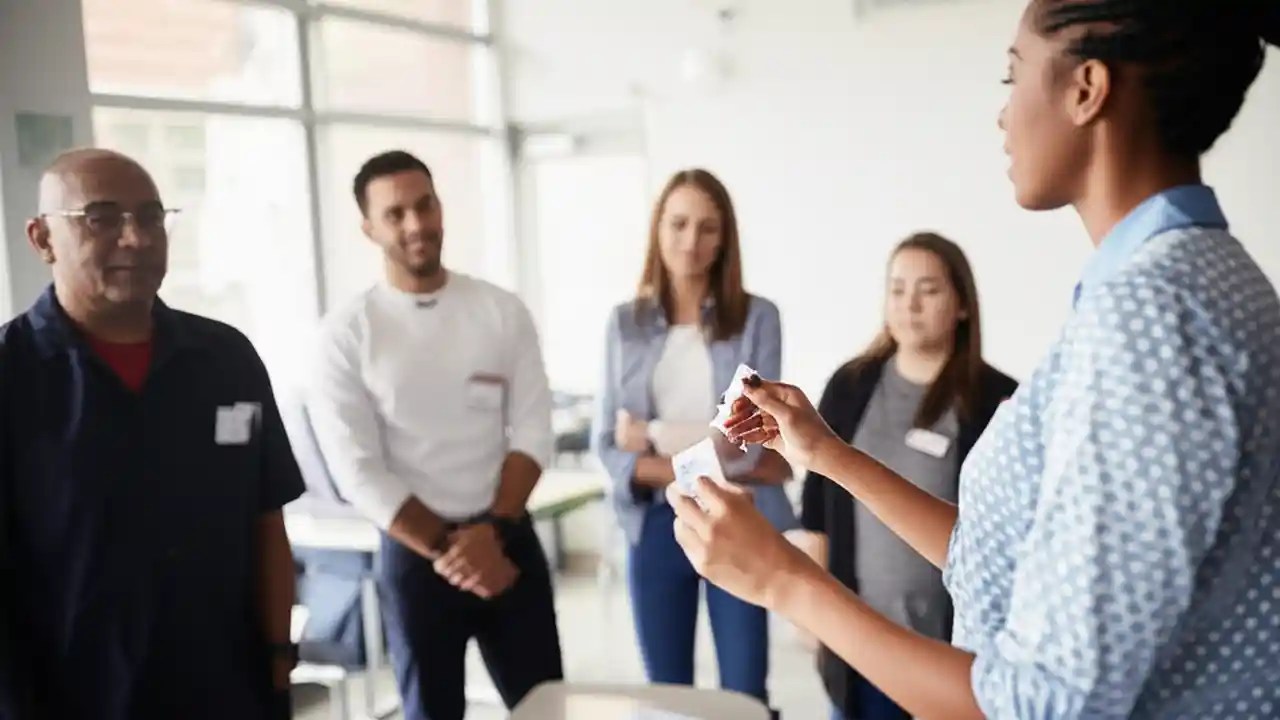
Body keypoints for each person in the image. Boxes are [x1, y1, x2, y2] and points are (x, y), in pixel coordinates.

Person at [665, 2, 1280, 718]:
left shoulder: (1152, 322)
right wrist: (828, 455)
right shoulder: (1188, 280)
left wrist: (783, 581)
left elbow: (1039, 704)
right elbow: (1007, 563)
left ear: (1086, 89)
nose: (1002, 116)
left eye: (1011, 76)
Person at [0, 149, 302, 719]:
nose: (136, 239)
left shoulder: (225, 359)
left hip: (226, 689)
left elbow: (266, 522)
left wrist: (280, 655)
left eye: (151, 217)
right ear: (42, 239)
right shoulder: (12, 376)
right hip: (71, 697)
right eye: (103, 218)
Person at [306, 150, 562, 720]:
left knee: (546, 709)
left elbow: (533, 429)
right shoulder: (347, 333)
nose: (416, 224)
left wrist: (492, 533)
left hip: (507, 537)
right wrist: (453, 550)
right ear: (369, 228)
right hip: (418, 553)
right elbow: (358, 470)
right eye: (395, 214)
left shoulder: (499, 310)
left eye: (425, 205)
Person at [591, 168, 796, 707]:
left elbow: (747, 439)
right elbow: (607, 446)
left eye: (708, 227)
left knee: (746, 691)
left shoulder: (758, 318)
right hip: (656, 520)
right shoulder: (623, 324)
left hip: (736, 513)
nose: (691, 241)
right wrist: (702, 449)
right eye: (678, 224)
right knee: (668, 692)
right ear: (657, 230)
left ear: (725, 237)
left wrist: (653, 439)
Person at [799, 233, 1016, 720]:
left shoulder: (997, 401)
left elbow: (1011, 538)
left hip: (950, 655)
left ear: (962, 304)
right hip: (856, 644)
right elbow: (816, 508)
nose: (909, 304)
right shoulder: (850, 384)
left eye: (928, 290)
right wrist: (811, 615)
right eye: (897, 290)